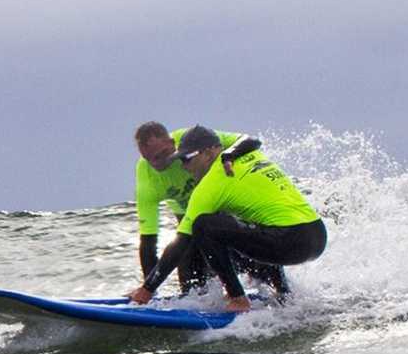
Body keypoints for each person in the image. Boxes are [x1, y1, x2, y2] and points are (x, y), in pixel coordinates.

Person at [129, 125, 327, 312]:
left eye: (187, 159)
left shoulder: (213, 183)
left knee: (203, 225)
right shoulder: (251, 155)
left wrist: (147, 289)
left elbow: (182, 241)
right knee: (244, 225)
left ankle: (238, 299)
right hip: (316, 235)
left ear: (209, 152)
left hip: (289, 243)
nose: (184, 167)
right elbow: (249, 140)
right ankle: (284, 294)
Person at [134, 121, 259, 292]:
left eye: (163, 154)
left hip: (222, 205)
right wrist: (148, 292)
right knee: (189, 281)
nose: (158, 163)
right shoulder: (148, 181)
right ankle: (209, 302)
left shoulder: (191, 140)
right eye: (150, 159)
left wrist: (228, 156)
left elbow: (249, 140)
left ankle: (275, 295)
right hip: (188, 216)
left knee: (246, 255)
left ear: (172, 143)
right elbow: (148, 241)